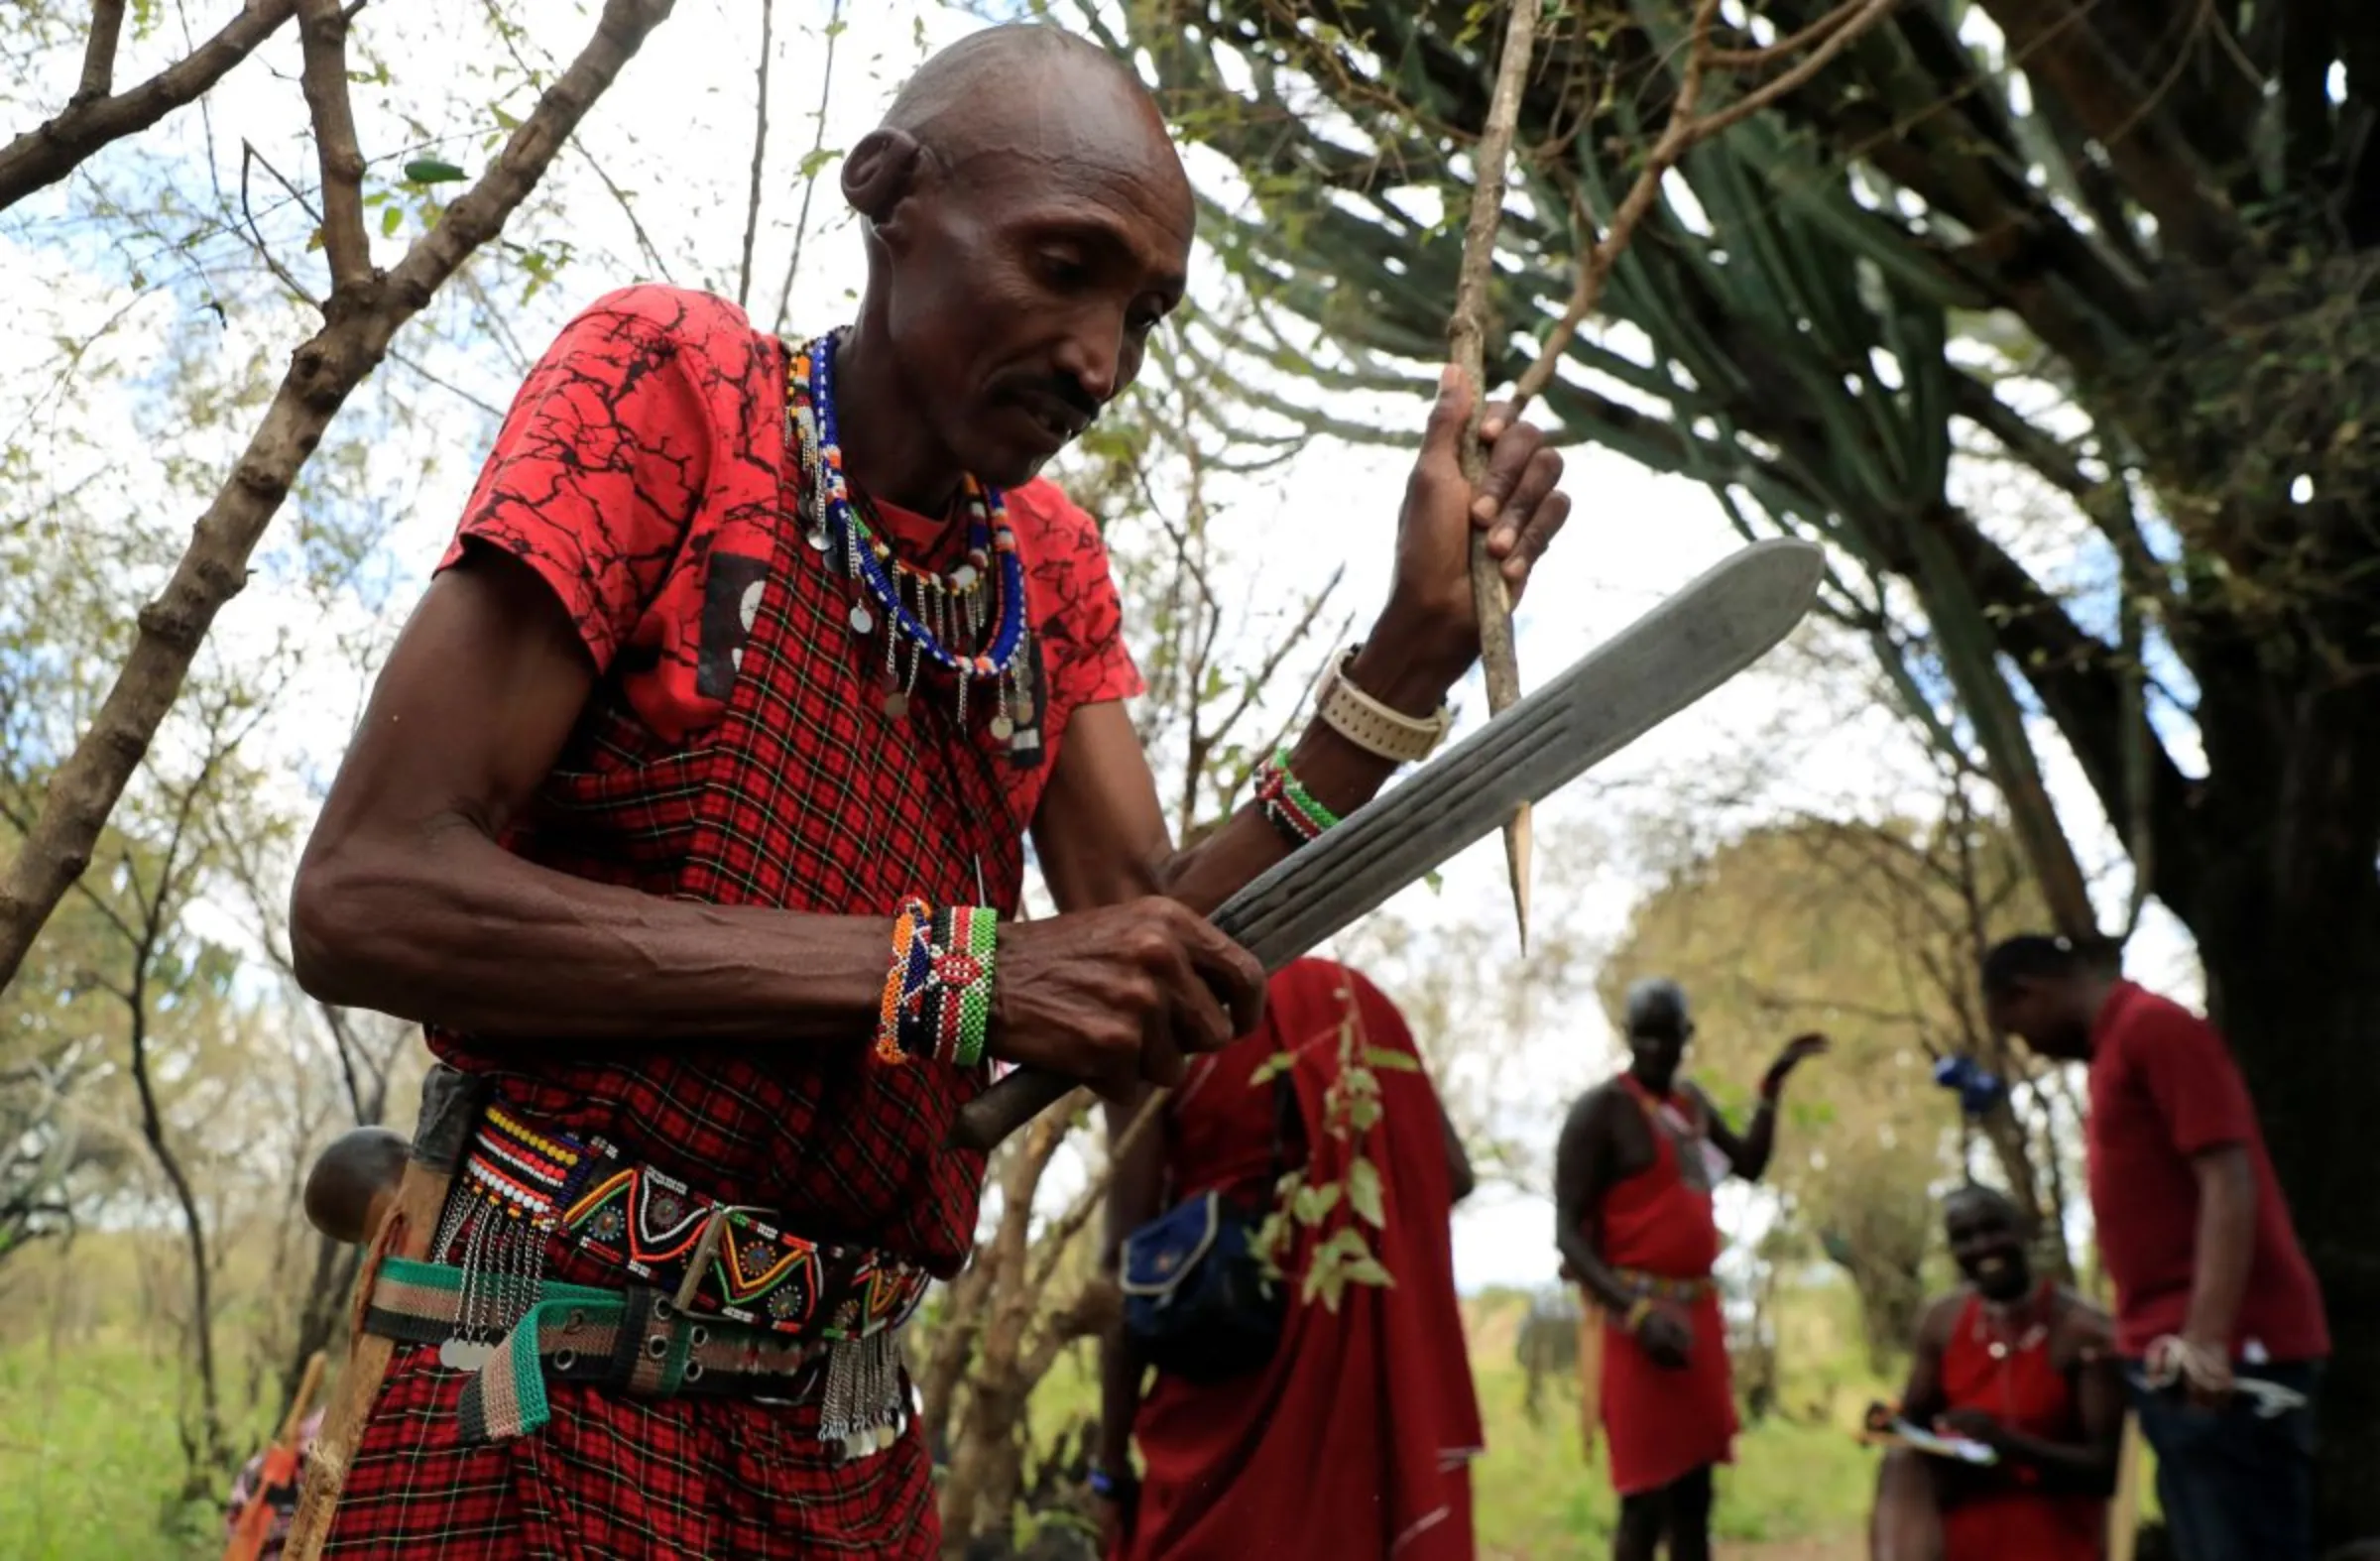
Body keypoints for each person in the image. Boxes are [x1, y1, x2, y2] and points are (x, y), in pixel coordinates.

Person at [285, 19, 1574, 1558]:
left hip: (841, 1453)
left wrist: (1404, 666)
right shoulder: (678, 395)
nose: (1101, 360)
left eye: (1145, 316)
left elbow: (1130, 952)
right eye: (1064, 266)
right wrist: (955, 975)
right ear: (890, 194)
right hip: (531, 1407)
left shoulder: (1045, 575)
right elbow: (367, 894)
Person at [1095, 958, 1484, 1561]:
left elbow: (1122, 1262)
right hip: (1360, 1382)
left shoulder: (1163, 1018)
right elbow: (1452, 1173)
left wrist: (1108, 1465)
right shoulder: (1356, 1006)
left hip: (1220, 1393)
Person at [1978, 935, 2329, 1561]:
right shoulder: (2113, 1056)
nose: (2027, 1045)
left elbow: (2228, 1176)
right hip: (2170, 1363)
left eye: (2017, 1027)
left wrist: (2208, 1337)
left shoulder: (2153, 1031)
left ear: (2028, 992)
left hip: (2230, 1365)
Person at [1552, 978, 1826, 1561]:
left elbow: (1747, 1164)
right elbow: (1569, 1238)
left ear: (1687, 1036)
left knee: (1695, 1496)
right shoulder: (1599, 1113)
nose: (1655, 1048)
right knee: (1644, 1497)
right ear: (1627, 1036)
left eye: (1667, 1035)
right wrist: (1639, 1313)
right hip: (1636, 1320)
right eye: (1643, 1036)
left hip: (1697, 1316)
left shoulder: (1691, 1104)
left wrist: (1772, 1088)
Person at [1867, 1184, 2121, 1561]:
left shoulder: (2080, 1329)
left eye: (1993, 1229)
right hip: (1963, 1520)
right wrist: (1890, 1422)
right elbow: (1915, 1417)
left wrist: (2007, 1444)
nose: (1982, 1246)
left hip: (2052, 1523)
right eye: (1964, 1238)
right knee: (1901, 1462)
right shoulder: (1942, 1322)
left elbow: (2105, 1468)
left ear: (2023, 1232)